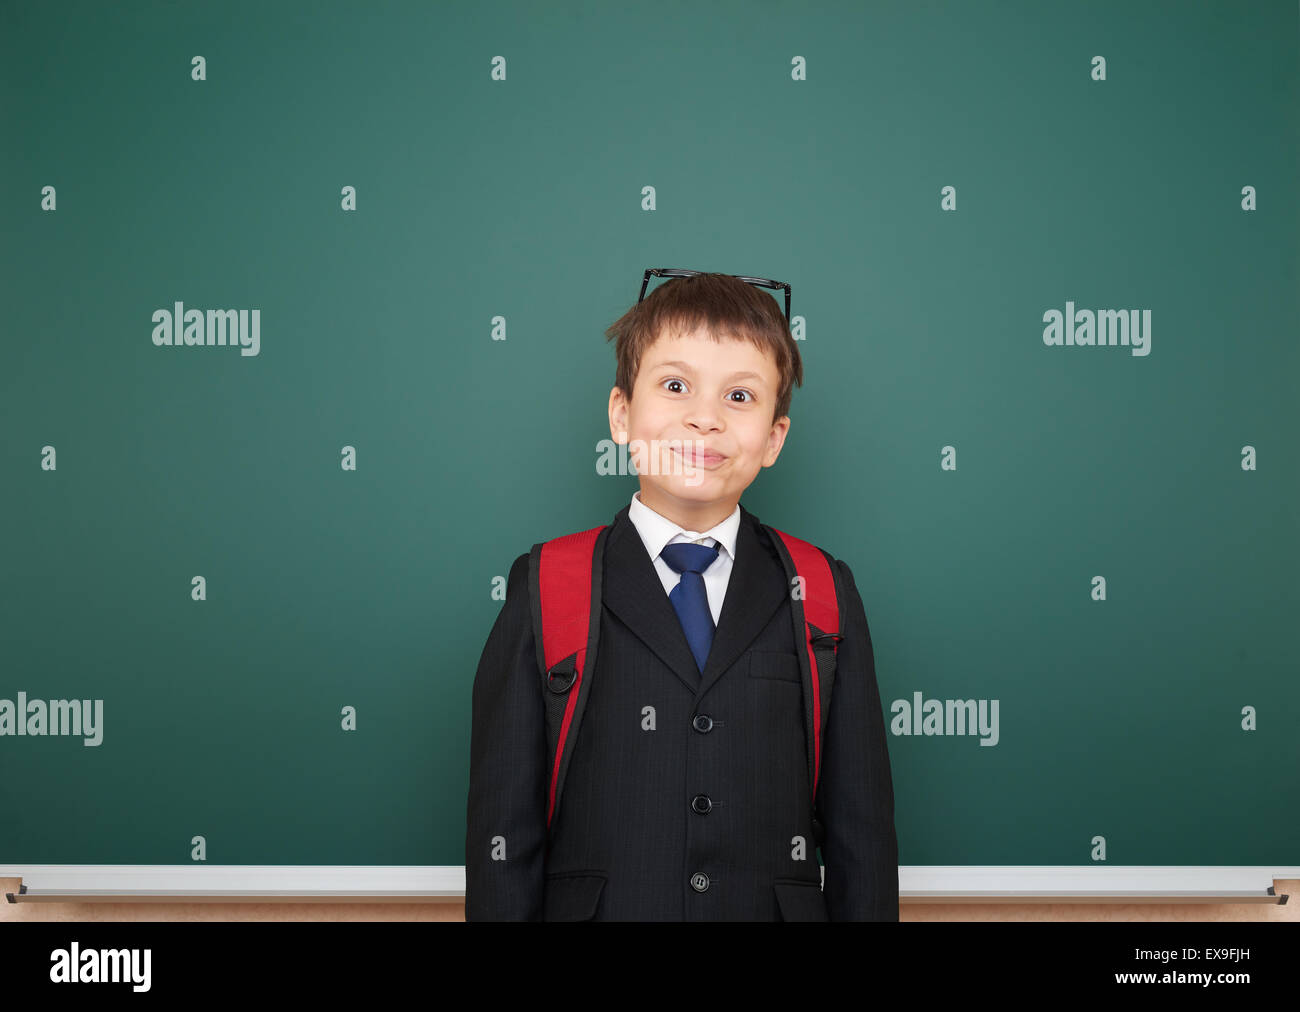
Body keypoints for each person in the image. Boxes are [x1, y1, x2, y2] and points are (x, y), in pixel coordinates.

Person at [465, 270, 898, 920]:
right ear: (621, 414)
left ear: (775, 439)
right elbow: (504, 829)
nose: (705, 418)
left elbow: (861, 835)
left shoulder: (822, 590)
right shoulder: (549, 582)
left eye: (741, 396)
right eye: (675, 386)